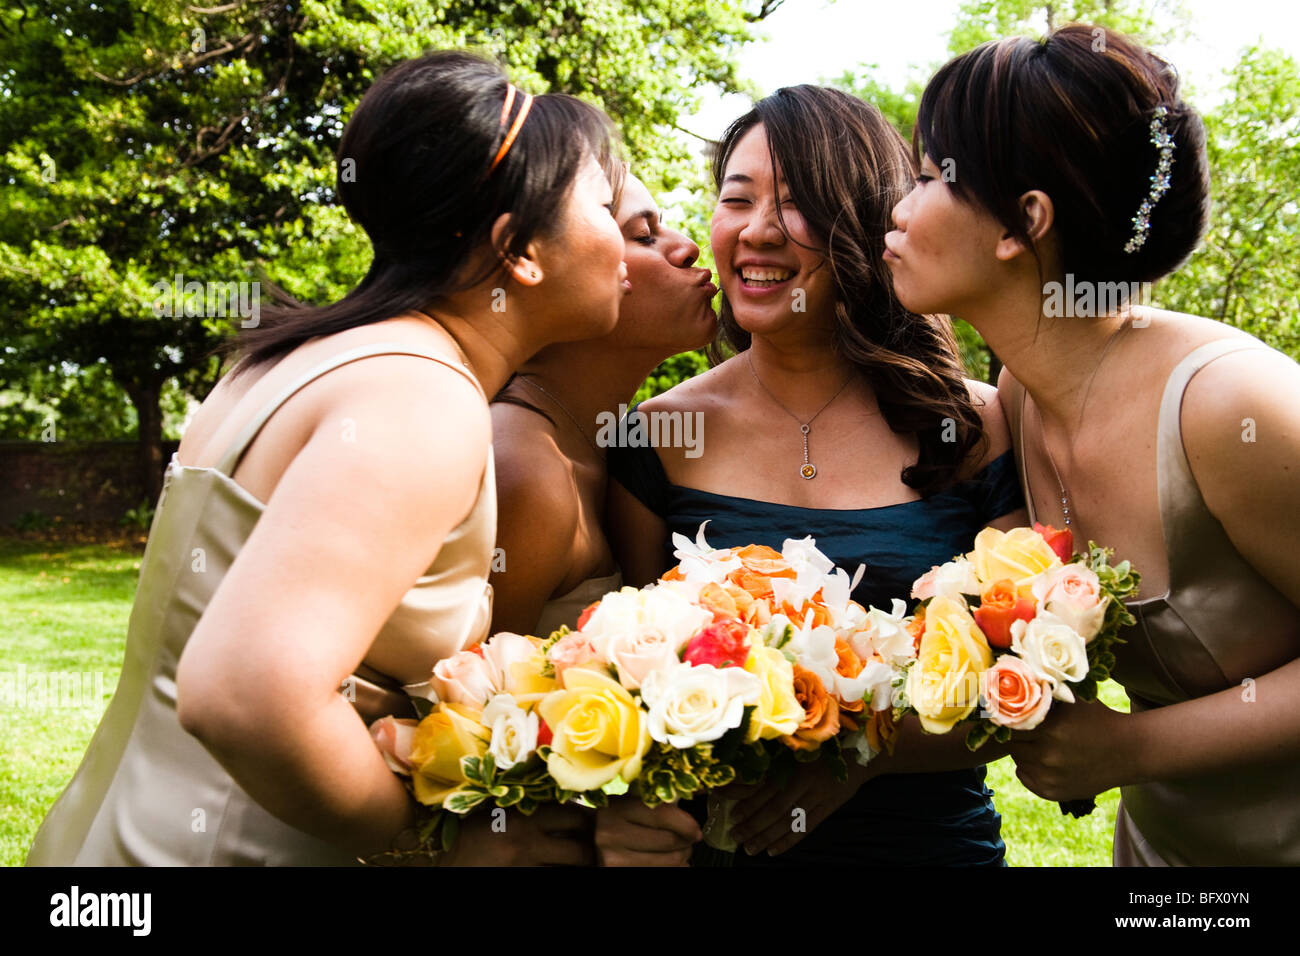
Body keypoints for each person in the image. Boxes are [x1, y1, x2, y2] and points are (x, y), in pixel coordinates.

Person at [26, 51, 627, 866]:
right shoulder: (417, 396)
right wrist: (445, 841)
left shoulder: (292, 358)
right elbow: (245, 697)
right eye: (605, 205)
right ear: (518, 250)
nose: (626, 240)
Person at [887, 24, 1300, 865]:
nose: (898, 207)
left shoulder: (1228, 406)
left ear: (1022, 223)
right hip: (1166, 851)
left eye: (928, 178)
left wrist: (1131, 749)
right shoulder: (1020, 399)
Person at [606, 85, 1027, 867]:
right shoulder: (654, 435)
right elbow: (626, 680)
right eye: (737, 199)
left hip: (930, 851)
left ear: (866, 225)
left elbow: (1015, 692)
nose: (757, 231)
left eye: (797, 205)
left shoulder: (979, 425)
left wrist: (861, 751)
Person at [489, 168, 716, 865]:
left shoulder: (611, 449)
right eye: (643, 234)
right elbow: (471, 714)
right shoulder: (524, 468)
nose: (686, 248)